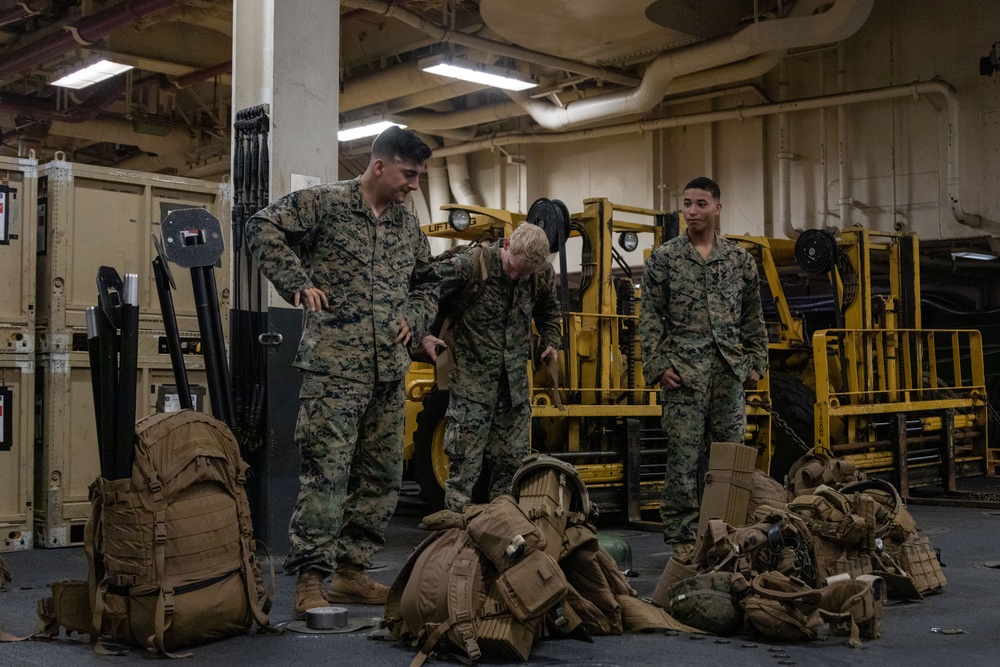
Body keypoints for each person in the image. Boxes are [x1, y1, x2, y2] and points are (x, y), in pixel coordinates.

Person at [245, 127, 435, 617]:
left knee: (381, 476)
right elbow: (260, 226)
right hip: (335, 367)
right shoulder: (325, 204)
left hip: (388, 373)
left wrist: (414, 320)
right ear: (379, 166)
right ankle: (311, 579)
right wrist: (297, 283)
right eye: (409, 174)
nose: (414, 185)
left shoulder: (406, 226)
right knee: (325, 474)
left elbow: (428, 282)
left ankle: (352, 574)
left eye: (418, 177)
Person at [638, 176, 768, 559]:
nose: (692, 211)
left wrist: (757, 363)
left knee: (729, 456)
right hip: (684, 375)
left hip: (729, 374)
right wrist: (659, 366)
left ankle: (728, 529)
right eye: (687, 203)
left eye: (700, 203)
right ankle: (681, 537)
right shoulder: (665, 259)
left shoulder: (740, 261)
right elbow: (649, 319)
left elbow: (753, 318)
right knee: (683, 457)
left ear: (717, 208)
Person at [419, 222, 562, 512]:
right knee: (463, 467)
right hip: (472, 384)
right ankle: (453, 536)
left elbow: (549, 310)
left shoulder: (540, 273)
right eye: (512, 269)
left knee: (512, 466)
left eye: (523, 274)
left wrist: (551, 340)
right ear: (507, 244)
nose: (514, 276)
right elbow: (424, 285)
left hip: (515, 391)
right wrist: (424, 332)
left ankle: (501, 527)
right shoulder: (472, 265)